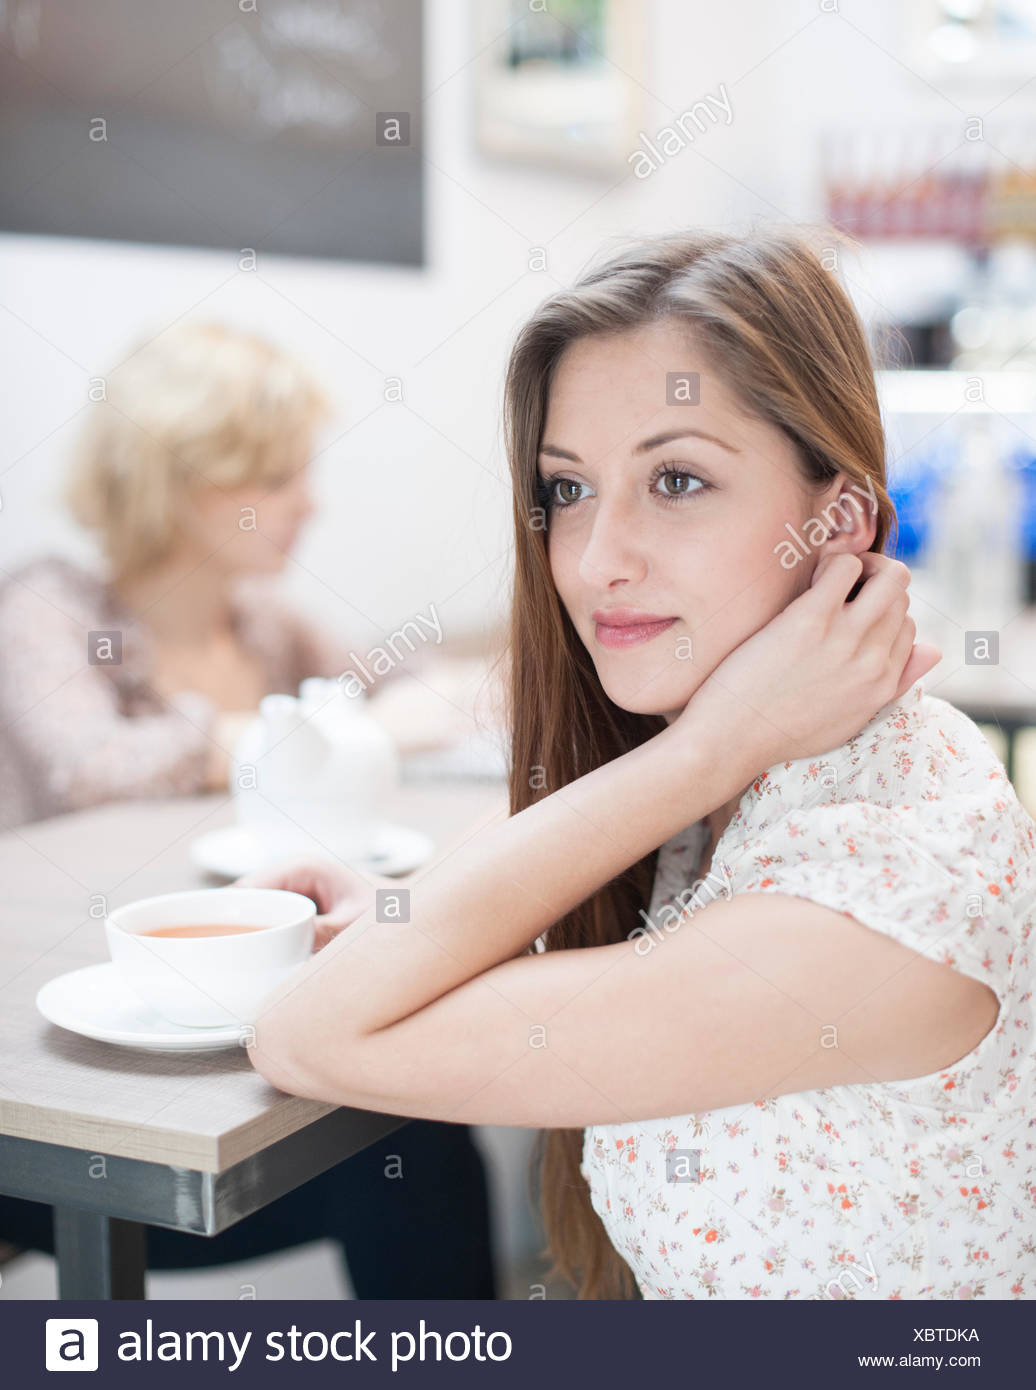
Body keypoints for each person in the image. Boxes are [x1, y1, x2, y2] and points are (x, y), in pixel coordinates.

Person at [243, 226, 1036, 1301]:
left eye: (676, 478)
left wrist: (717, 745)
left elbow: (305, 1035)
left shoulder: (892, 870)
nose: (598, 559)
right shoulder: (700, 765)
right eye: (568, 490)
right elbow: (408, 951)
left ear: (836, 516)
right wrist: (397, 909)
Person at [0, 320, 498, 1299]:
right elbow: (94, 764)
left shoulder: (265, 625)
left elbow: (419, 689)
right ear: (178, 480)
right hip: (53, 1105)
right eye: (274, 477)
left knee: (423, 1138)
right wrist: (329, 730)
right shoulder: (47, 609)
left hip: (217, 1055)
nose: (309, 503)